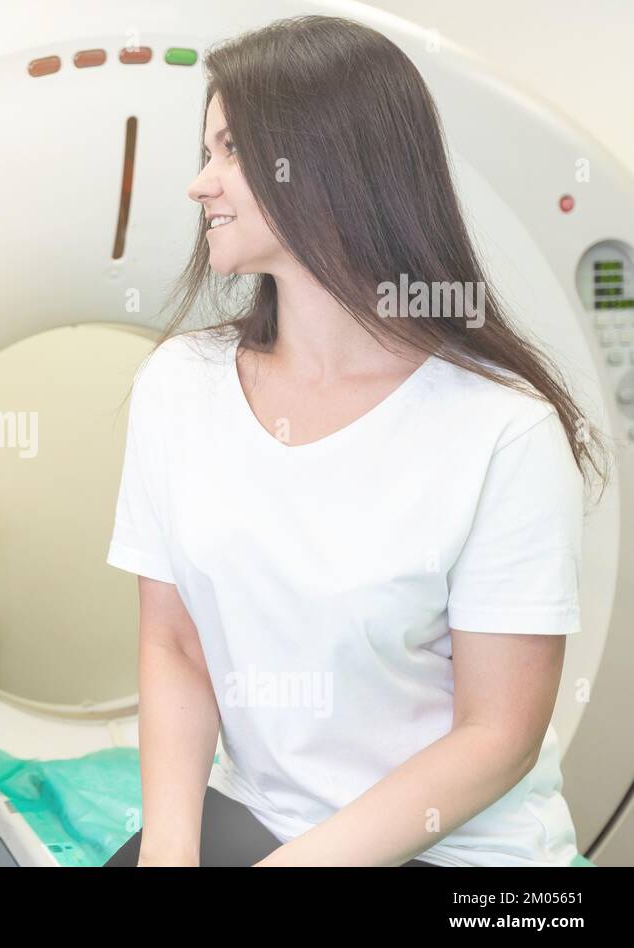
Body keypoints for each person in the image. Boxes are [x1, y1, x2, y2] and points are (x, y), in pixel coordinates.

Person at [105, 15, 610, 867]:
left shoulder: (499, 430)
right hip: (262, 818)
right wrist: (167, 849)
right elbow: (176, 643)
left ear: (327, 168)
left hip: (465, 859)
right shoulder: (179, 387)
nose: (200, 184)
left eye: (229, 150)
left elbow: (499, 736)